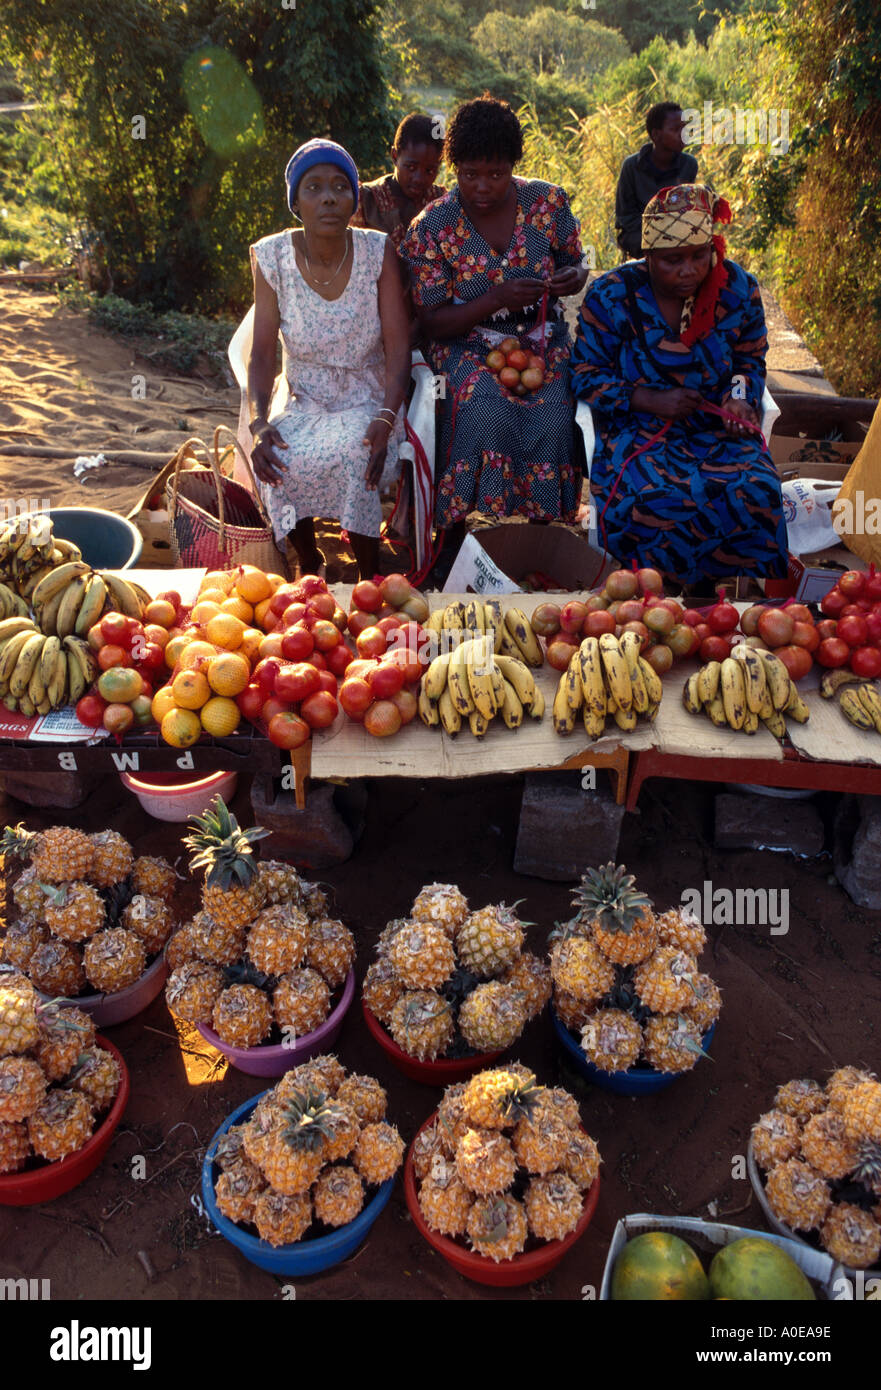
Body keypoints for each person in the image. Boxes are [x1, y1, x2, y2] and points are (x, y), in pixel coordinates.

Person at [570, 183, 788, 587]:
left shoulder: (737, 289)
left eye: (699, 256)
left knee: (754, 487)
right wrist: (649, 399)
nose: (688, 270)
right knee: (650, 495)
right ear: (648, 256)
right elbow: (584, 372)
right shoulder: (612, 295)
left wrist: (739, 399)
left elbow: (749, 358)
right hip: (638, 429)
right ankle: (647, 593)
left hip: (714, 429)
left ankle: (734, 600)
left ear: (713, 249)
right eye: (672, 260)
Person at [401, 96, 588, 559]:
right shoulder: (434, 225)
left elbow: (576, 264)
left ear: (514, 166)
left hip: (542, 338)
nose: (482, 186)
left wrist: (572, 278)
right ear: (455, 167)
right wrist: (494, 299)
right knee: (482, 404)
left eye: (496, 173)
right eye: (469, 174)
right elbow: (432, 319)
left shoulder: (548, 203)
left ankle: (544, 540)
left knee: (553, 410)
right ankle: (456, 540)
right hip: (462, 344)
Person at [246, 139, 411, 580]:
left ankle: (369, 577)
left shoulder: (378, 252)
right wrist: (258, 422)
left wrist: (386, 416)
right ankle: (309, 562)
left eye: (340, 187)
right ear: (296, 202)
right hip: (303, 397)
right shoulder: (273, 257)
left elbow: (399, 348)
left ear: (354, 197)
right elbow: (262, 354)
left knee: (357, 454)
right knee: (277, 456)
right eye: (314, 188)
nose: (328, 198)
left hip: (369, 398)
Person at [615, 103, 699, 260]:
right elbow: (625, 216)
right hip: (639, 233)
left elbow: (687, 208)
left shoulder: (688, 164)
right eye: (675, 130)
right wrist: (658, 231)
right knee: (660, 249)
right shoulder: (631, 166)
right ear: (656, 135)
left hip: (676, 229)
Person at [350, 113, 445, 248]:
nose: (419, 179)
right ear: (395, 156)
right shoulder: (365, 200)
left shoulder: (440, 202)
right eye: (411, 167)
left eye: (429, 171)